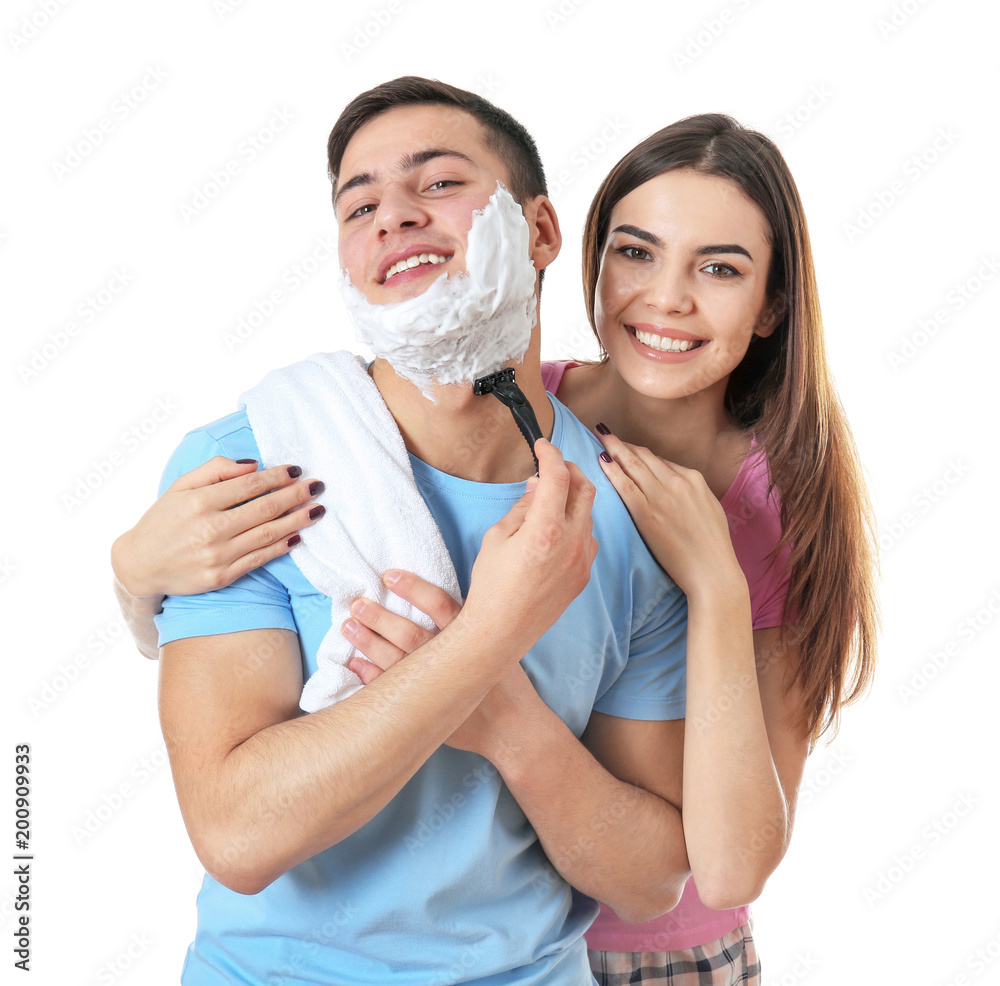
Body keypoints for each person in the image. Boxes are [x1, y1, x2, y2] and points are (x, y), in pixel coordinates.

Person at [116, 109, 879, 984]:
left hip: (662, 947)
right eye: (636, 252)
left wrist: (714, 583)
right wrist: (131, 572)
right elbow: (237, 831)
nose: (668, 298)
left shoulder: (724, 516)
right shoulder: (334, 442)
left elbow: (704, 870)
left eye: (719, 267)